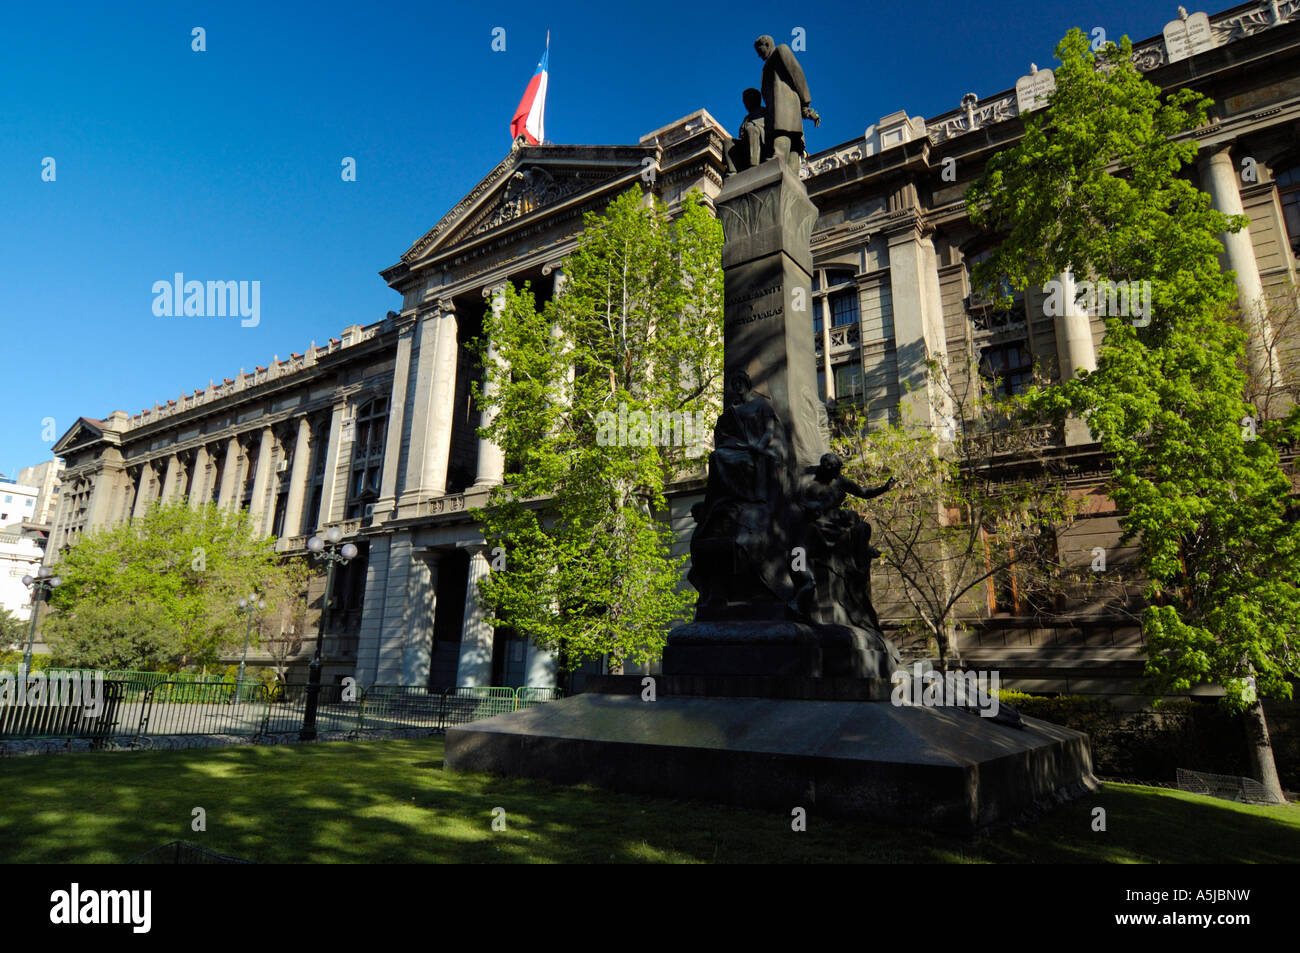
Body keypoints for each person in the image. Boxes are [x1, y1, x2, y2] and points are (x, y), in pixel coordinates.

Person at [754, 35, 821, 174]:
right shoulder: (765, 67)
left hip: (785, 106)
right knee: (792, 143)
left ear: (767, 44)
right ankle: (791, 177)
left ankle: (777, 161)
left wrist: (805, 103)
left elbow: (796, 73)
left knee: (784, 134)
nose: (759, 56)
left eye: (760, 51)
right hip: (778, 109)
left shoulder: (781, 51)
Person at [727, 88, 766, 174]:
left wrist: (751, 126)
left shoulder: (764, 112)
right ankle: (732, 172)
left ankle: (754, 165)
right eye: (744, 99)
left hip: (761, 141)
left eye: (747, 98)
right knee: (728, 142)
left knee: (751, 129)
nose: (745, 102)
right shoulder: (746, 118)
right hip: (746, 143)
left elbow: (766, 127)